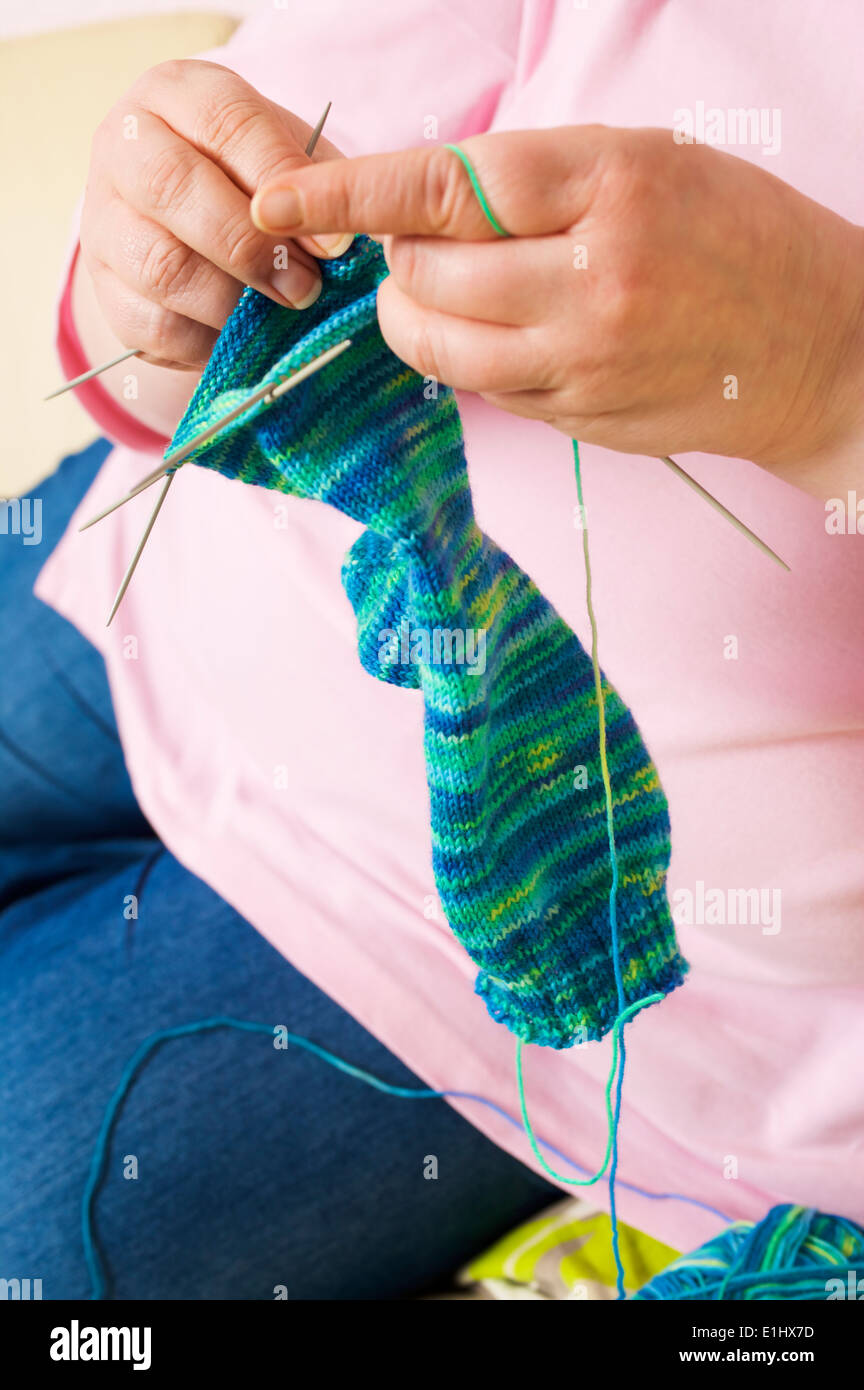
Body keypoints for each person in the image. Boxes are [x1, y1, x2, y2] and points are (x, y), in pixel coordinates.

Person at [3, 0, 863, 1299]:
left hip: (509, 972)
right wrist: (152, 278)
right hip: (161, 582)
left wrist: (829, 368)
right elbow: (176, 326)